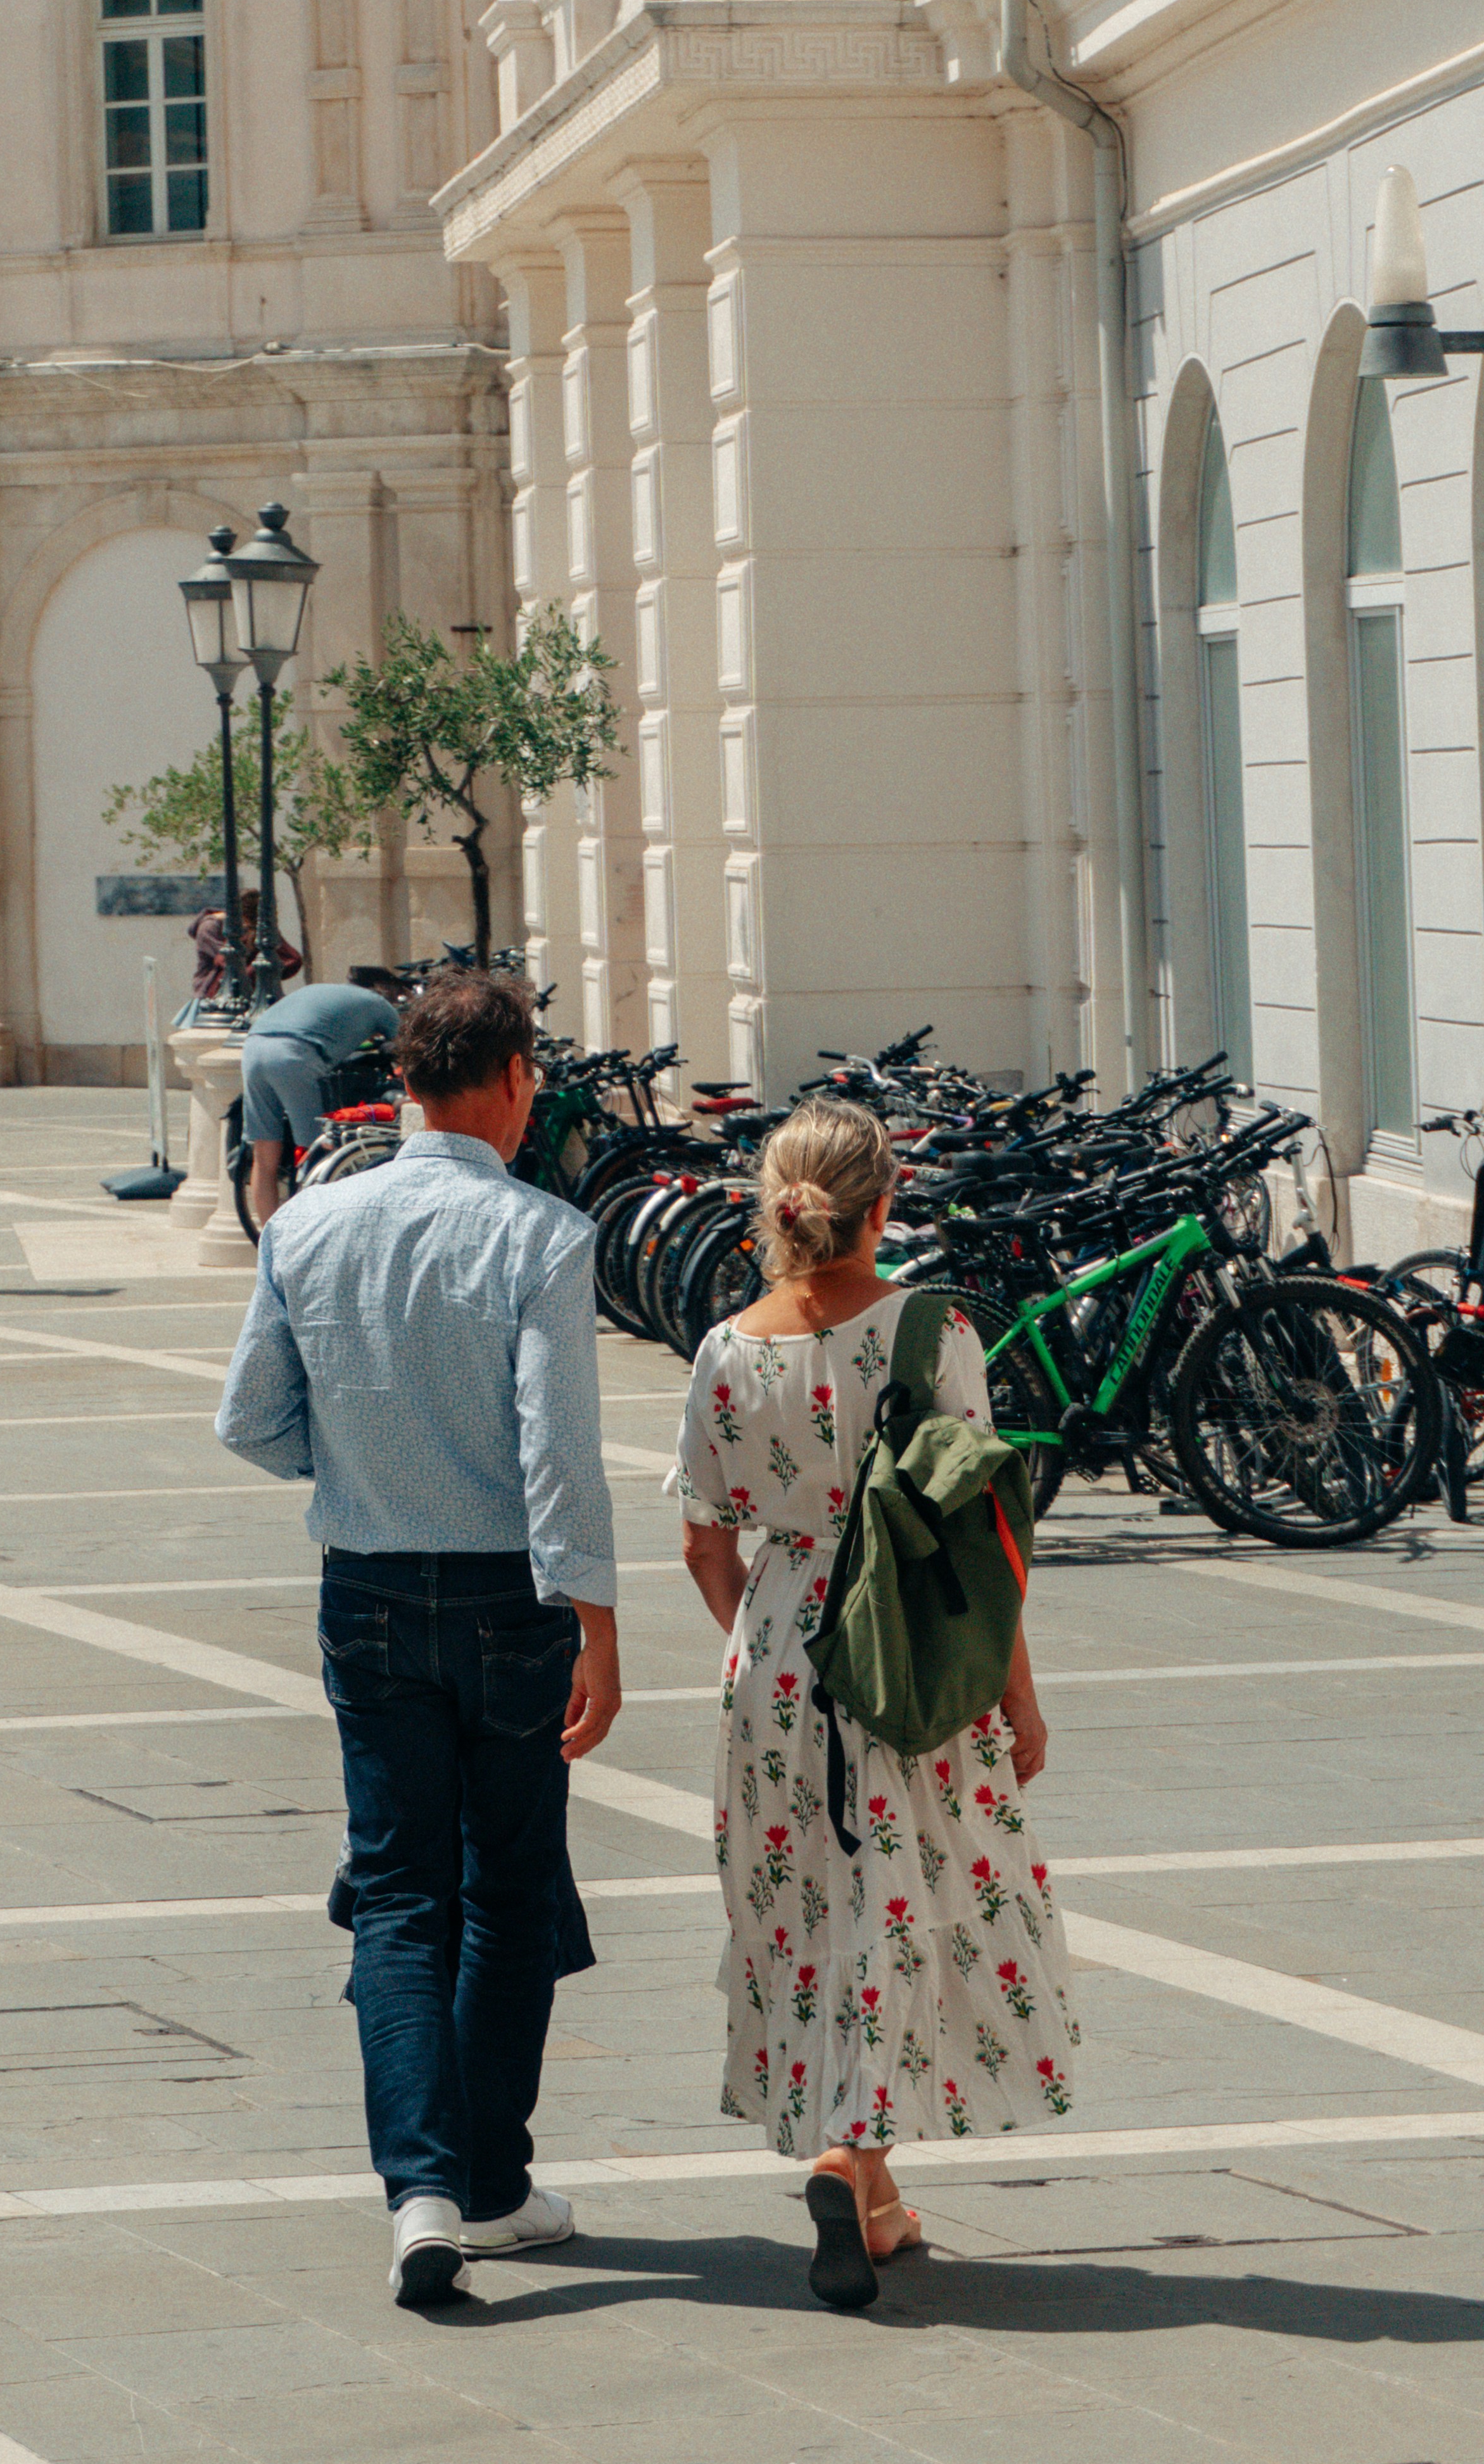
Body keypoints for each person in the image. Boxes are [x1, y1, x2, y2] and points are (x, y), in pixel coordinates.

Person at [216, 969, 620, 2308]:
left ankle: (423, 2191)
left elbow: (251, 1419)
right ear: (507, 1081)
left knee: (396, 1889)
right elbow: (558, 1452)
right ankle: (494, 2180)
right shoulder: (544, 1233)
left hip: (369, 1586)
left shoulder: (310, 1223)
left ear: (399, 1086)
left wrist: (354, 1464)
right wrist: (597, 1621)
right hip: (510, 1596)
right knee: (507, 1886)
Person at [673, 1096, 1077, 2313]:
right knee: (902, 1897)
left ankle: (869, 2186)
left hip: (779, 1659)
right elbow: (981, 1526)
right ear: (880, 1206)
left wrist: (775, 1644)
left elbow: (702, 1543)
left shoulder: (724, 1348)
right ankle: (851, 2152)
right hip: (907, 1651)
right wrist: (1016, 1692)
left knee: (810, 1907)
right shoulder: (928, 1327)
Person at [238, 974, 400, 1227]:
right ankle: (307, 1233)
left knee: (265, 1155)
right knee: (313, 1152)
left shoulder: (325, 992)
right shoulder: (380, 1005)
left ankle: (272, 1243)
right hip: (293, 1056)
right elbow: (409, 1047)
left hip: (254, 1047)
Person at [186, 889, 299, 1010]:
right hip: (211, 995)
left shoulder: (259, 931)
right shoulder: (211, 927)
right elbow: (227, 961)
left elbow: (293, 959)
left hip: (252, 996)